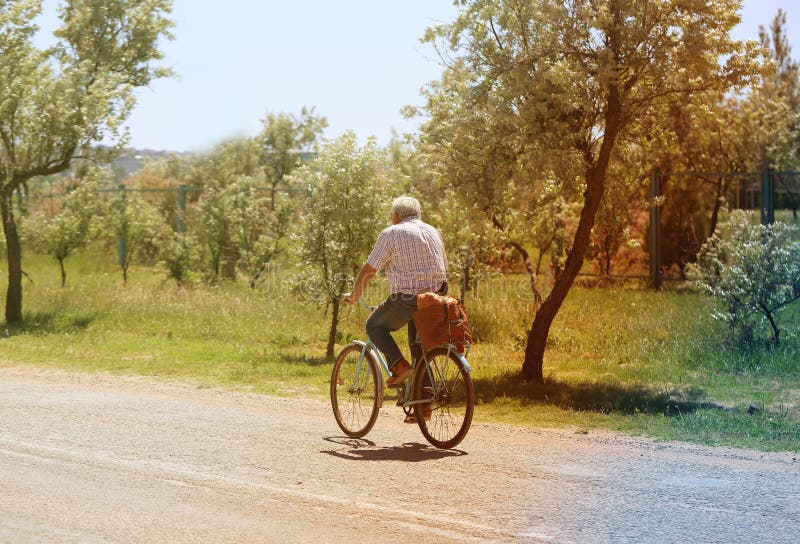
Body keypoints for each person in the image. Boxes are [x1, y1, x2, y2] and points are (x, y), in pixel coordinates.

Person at [342, 196, 448, 389]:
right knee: (418, 349)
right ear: (418, 215)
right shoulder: (433, 232)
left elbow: (370, 270)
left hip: (407, 299)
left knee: (374, 326)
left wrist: (354, 295)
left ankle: (399, 366)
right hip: (435, 298)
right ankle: (423, 405)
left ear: (396, 215)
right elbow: (443, 268)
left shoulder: (392, 233)